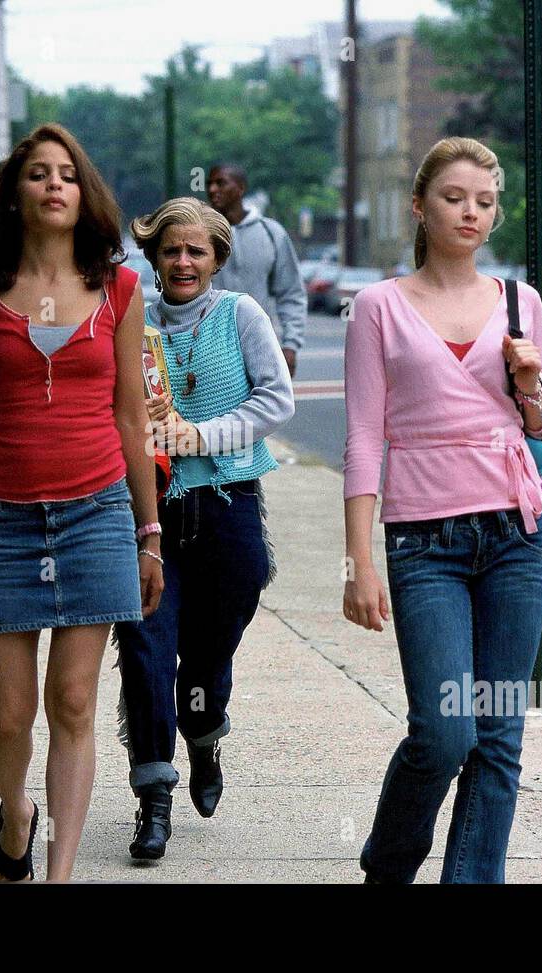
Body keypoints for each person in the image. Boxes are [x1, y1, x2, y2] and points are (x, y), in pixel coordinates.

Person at [0, 123, 164, 882]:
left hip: (97, 512)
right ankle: (16, 812)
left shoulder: (121, 288)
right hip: (0, 517)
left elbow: (134, 416)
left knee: (72, 700)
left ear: (83, 190)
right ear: (15, 191)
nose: (55, 184)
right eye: (38, 173)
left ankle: (58, 873)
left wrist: (149, 528)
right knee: (7, 716)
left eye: (67, 173)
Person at [342, 137, 542, 883]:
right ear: (419, 206)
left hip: (516, 534)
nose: (470, 211)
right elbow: (365, 435)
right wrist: (360, 561)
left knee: (498, 734)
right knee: (443, 731)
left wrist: (531, 381)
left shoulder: (518, 301)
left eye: (484, 201)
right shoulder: (378, 306)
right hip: (423, 543)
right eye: (453, 197)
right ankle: (389, 865)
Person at [113, 197, 294, 861]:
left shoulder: (240, 314)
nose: (183, 261)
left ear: (217, 258)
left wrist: (197, 435)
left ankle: (205, 730)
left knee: (208, 656)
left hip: (226, 508)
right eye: (170, 249)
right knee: (145, 650)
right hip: (148, 512)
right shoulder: (130, 320)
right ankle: (153, 794)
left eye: (196, 250)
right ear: (154, 256)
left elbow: (277, 399)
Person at [206, 163, 306, 378]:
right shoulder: (201, 233)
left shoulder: (271, 233)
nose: (213, 189)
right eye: (209, 184)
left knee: (265, 409)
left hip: (259, 345)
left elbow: (291, 293)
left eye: (221, 183)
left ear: (240, 188)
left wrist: (290, 345)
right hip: (207, 348)